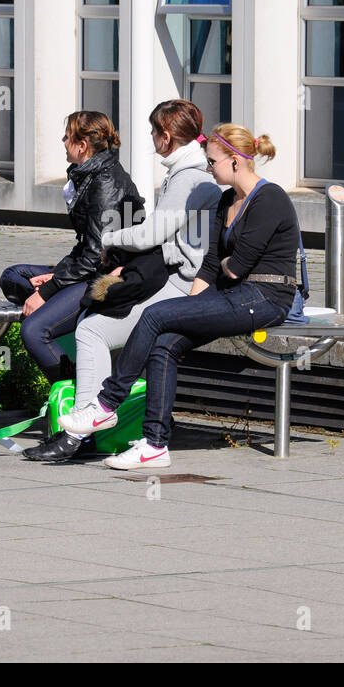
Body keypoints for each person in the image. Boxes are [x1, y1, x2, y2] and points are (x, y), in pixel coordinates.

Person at [58, 124, 302, 469]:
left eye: (213, 161)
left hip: (266, 298)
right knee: (165, 341)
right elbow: (213, 265)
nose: (208, 167)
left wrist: (223, 272)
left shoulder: (270, 198)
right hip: (235, 294)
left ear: (235, 161)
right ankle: (154, 445)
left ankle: (106, 405)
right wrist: (191, 305)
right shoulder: (226, 201)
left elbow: (238, 265)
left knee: (155, 314)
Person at [23, 100, 222, 462]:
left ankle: (86, 428)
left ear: (166, 135)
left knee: (92, 329)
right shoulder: (187, 172)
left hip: (181, 285)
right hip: (172, 276)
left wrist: (111, 242)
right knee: (89, 326)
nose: (150, 138)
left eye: (152, 131)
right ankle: (85, 426)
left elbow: (152, 234)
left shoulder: (190, 176)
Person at [0, 110, 144, 383]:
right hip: (88, 268)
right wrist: (57, 277)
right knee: (13, 276)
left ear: (82, 145)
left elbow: (95, 258)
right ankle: (63, 322)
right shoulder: (88, 174)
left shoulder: (106, 182)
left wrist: (50, 289)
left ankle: (81, 398)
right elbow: (86, 245)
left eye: (67, 136)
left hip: (106, 277)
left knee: (34, 331)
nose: (63, 140)